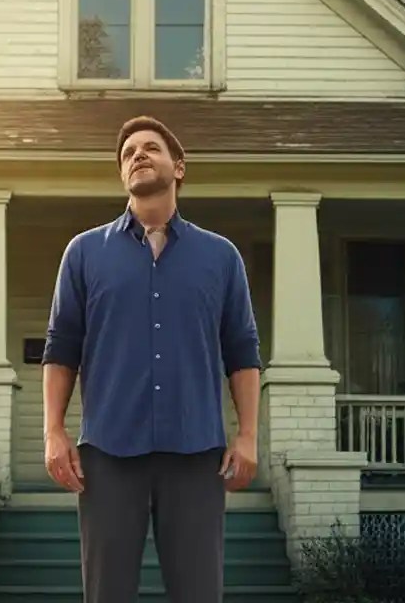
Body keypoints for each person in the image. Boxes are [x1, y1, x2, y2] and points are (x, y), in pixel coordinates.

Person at [40, 115, 262, 603]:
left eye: (150, 148)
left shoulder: (220, 257)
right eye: (127, 153)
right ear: (123, 175)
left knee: (199, 594)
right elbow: (61, 347)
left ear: (178, 167)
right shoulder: (83, 253)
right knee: (107, 595)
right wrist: (54, 432)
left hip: (197, 453)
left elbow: (243, 351)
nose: (137, 155)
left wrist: (247, 436)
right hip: (109, 455)